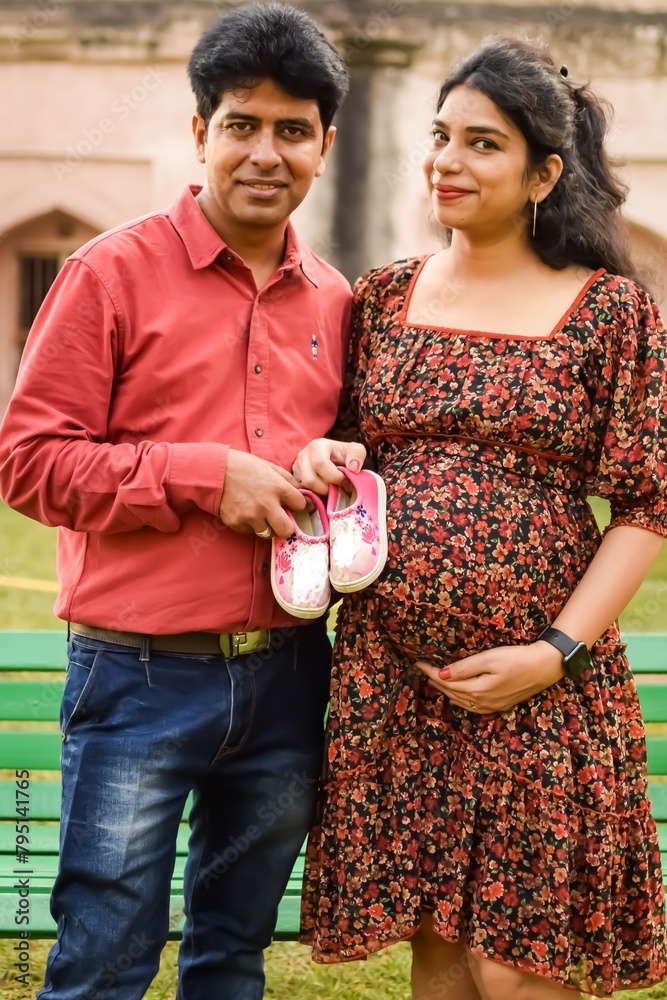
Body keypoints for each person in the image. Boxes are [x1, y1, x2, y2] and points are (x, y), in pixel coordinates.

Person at [0, 5, 364, 998]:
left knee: (230, 957)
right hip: (136, 681)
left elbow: (347, 470)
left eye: (292, 130)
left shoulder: (337, 302)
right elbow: (29, 462)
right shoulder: (105, 274)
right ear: (199, 131)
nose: (264, 151)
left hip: (289, 678)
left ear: (324, 146)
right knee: (103, 964)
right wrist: (205, 476)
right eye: (241, 123)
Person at [295, 36, 667, 1000]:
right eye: (439, 136)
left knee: (517, 971)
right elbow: (340, 452)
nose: (446, 162)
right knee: (440, 959)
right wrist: (320, 458)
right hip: (396, 684)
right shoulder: (380, 297)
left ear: (545, 173)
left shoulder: (608, 313)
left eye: (481, 145)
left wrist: (554, 651)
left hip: (540, 685)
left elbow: (649, 500)